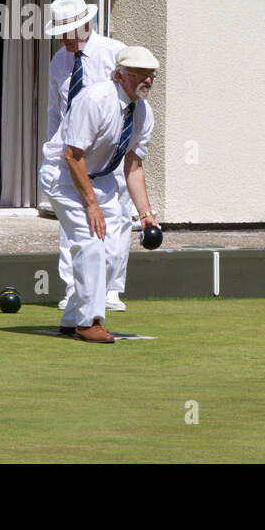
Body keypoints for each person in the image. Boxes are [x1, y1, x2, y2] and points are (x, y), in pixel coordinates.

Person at [42, 46, 160, 342]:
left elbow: (133, 166)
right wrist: (91, 205)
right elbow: (72, 155)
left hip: (102, 178)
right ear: (120, 76)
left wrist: (146, 215)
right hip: (64, 177)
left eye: (151, 76)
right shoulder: (95, 100)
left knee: (114, 251)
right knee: (91, 243)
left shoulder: (143, 113)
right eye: (140, 75)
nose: (147, 81)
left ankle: (72, 317)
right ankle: (89, 322)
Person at [37, 0, 133, 313]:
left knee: (116, 217)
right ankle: (74, 287)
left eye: (67, 31)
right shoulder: (59, 61)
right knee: (72, 222)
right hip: (73, 152)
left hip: (108, 151)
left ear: (85, 25)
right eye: (60, 32)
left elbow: (128, 103)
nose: (63, 39)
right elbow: (56, 110)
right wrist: (56, 150)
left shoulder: (114, 53)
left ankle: (110, 289)